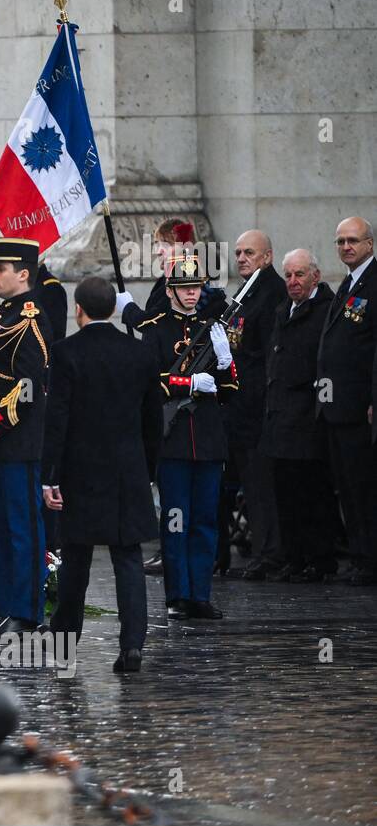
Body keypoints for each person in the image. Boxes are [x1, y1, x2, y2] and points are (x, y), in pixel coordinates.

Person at [43, 277, 162, 673]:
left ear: (78, 309)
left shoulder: (64, 353)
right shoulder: (140, 353)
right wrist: (150, 467)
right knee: (127, 559)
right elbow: (152, 420)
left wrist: (50, 475)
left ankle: (64, 641)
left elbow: (56, 420)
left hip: (80, 472)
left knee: (75, 559)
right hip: (128, 470)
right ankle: (132, 645)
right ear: (114, 309)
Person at [137, 253, 238, 619]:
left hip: (208, 439)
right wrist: (188, 382)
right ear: (170, 291)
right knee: (176, 518)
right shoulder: (156, 329)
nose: (192, 294)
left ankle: (200, 593)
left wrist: (225, 363)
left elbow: (229, 390)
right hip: (175, 439)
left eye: (196, 287)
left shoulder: (214, 329)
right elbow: (150, 383)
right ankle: (178, 594)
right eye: (184, 288)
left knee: (206, 520)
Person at [0, 238, 51, 639]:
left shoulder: (32, 320)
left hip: (17, 441)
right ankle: (7, 610)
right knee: (0, 529)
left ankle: (27, 613)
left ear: (22, 273)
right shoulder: (5, 314)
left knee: (23, 530)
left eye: (0, 268)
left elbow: (31, 386)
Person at [263, 248, 339, 582]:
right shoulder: (283, 310)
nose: (293, 282)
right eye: (289, 275)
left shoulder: (326, 311)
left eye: (300, 275)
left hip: (308, 417)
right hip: (281, 416)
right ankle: (293, 557)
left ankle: (319, 558)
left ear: (315, 276)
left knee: (313, 494)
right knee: (286, 494)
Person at [221, 229, 287, 579]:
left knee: (262, 486)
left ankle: (270, 553)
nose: (241, 258)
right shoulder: (246, 293)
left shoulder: (271, 292)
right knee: (250, 483)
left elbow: (266, 357)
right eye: (238, 253)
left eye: (249, 252)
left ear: (267, 257)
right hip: (239, 407)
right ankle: (262, 551)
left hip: (257, 406)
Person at [316, 216, 376, 585]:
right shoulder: (349, 283)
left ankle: (369, 559)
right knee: (349, 488)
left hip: (360, 408)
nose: (346, 247)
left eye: (352, 241)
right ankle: (359, 555)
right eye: (340, 242)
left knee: (364, 488)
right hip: (338, 408)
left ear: (370, 244)